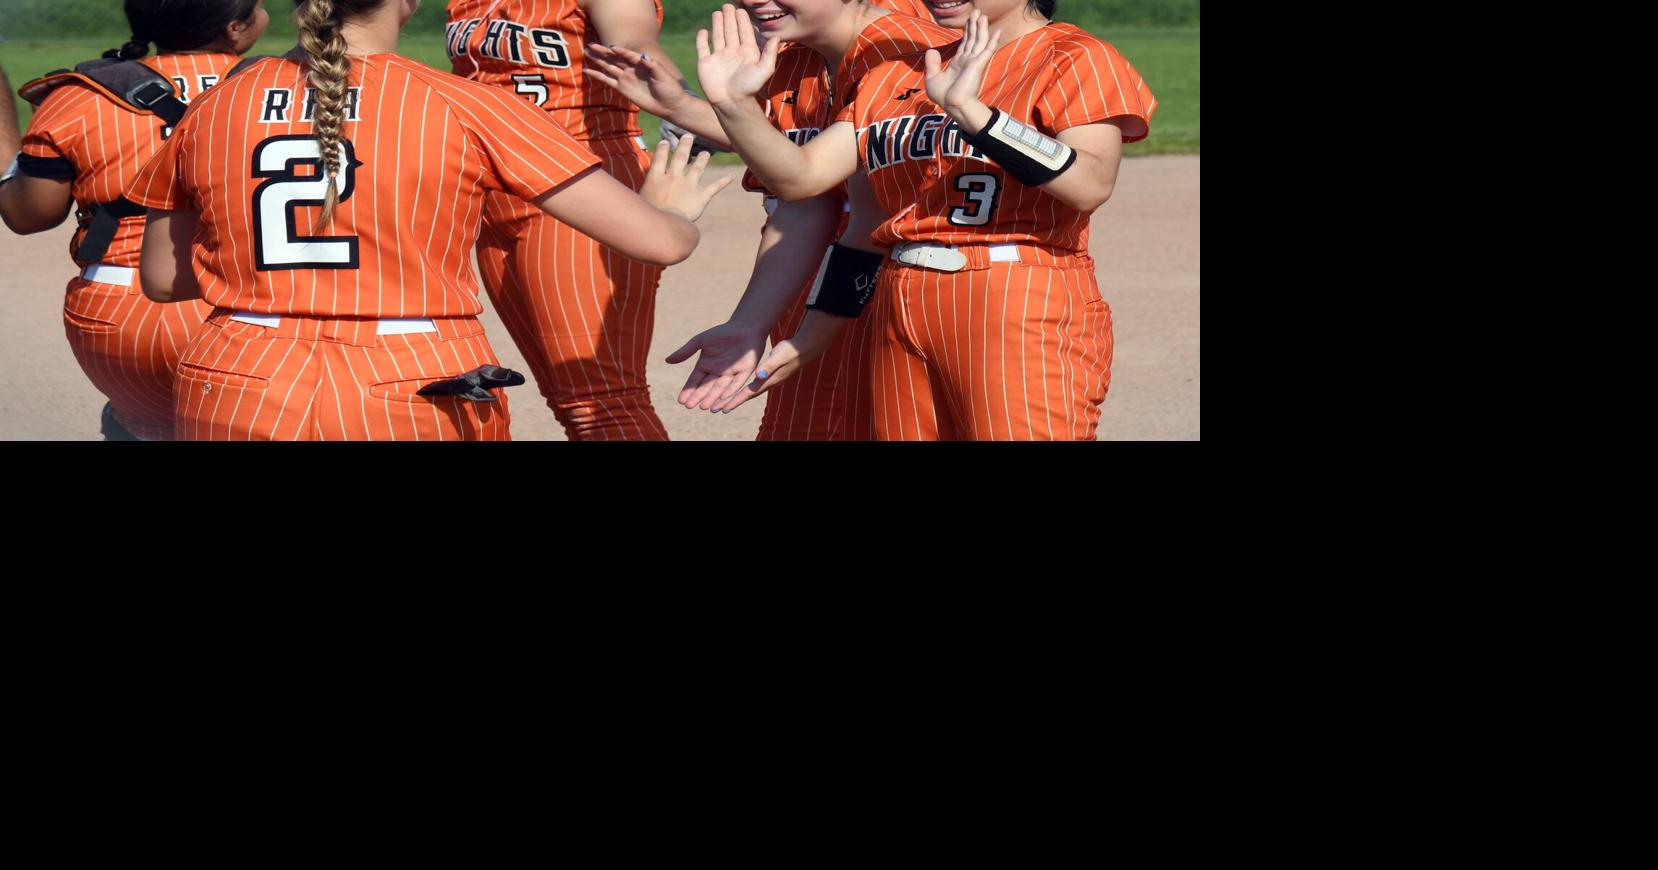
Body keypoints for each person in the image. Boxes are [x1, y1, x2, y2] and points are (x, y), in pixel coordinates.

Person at [125, 0, 731, 441]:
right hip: (410, 377)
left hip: (238, 375)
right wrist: (671, 211)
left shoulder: (215, 102)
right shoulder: (463, 102)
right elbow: (662, 243)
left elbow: (163, 279)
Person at [695, 1, 1155, 439]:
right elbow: (804, 178)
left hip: (1015, 294)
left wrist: (977, 116)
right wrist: (732, 104)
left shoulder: (1073, 56)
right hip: (898, 299)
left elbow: (1090, 182)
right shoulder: (900, 70)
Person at [586, 0, 951, 439]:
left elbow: (819, 186)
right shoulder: (794, 56)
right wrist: (750, 322)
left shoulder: (912, 56)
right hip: (839, 271)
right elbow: (803, 188)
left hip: (928, 285)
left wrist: (715, 104)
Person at [0, 0, 270, 440]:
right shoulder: (290, 89)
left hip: (118, 316)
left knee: (144, 427)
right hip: (248, 307)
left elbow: (28, 215)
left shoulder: (78, 94)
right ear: (236, 28)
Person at [446, 0, 697, 440]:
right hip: (494, 191)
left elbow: (633, 38)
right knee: (567, 400)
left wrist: (679, 97)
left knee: (602, 402)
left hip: (582, 180)